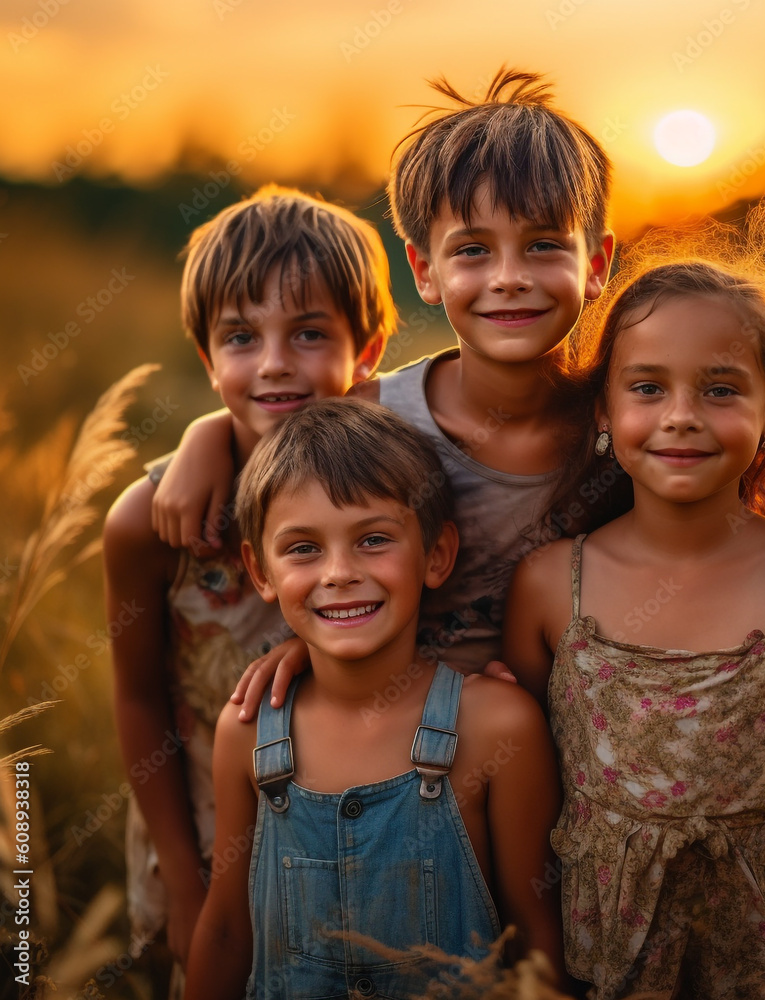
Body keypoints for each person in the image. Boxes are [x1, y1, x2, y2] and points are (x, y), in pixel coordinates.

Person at [503, 207, 765, 999]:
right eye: (648, 388)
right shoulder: (552, 584)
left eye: (720, 389)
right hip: (602, 965)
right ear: (605, 415)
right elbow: (523, 793)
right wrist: (536, 967)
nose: (681, 416)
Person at [150, 67, 615, 695]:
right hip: (381, 748)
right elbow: (284, 439)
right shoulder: (374, 416)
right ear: (424, 270)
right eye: (473, 250)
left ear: (598, 263)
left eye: (543, 246)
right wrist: (207, 439)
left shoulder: (619, 431)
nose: (509, 277)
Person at [103, 184, 393, 987]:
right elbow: (136, 702)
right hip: (196, 842)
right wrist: (186, 888)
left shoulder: (391, 488)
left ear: (365, 352)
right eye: (240, 337)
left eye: (308, 333)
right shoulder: (150, 522)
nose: (272, 363)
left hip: (362, 847)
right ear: (206, 356)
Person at [184, 397, 565, 1000]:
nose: (338, 572)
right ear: (261, 573)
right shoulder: (250, 728)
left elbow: (538, 940)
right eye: (303, 548)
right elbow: (230, 929)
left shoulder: (495, 726)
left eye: (373, 540)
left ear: (436, 555)